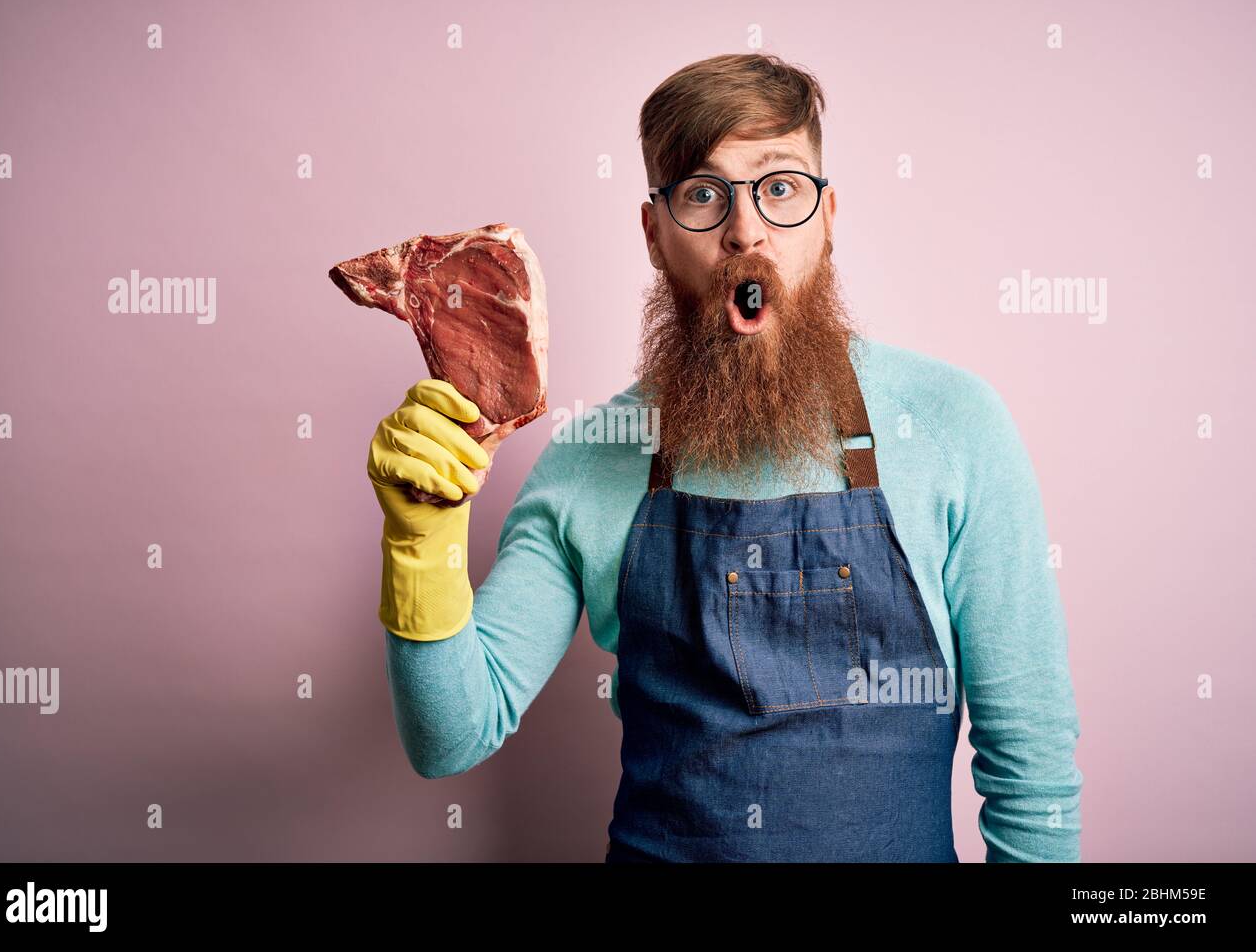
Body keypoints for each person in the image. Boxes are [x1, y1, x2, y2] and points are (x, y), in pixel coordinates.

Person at [366, 52, 1082, 862]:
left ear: (829, 217)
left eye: (780, 188)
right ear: (654, 233)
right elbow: (450, 737)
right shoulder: (592, 461)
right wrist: (422, 541)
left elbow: (1032, 772)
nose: (746, 229)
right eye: (703, 195)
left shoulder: (955, 426)